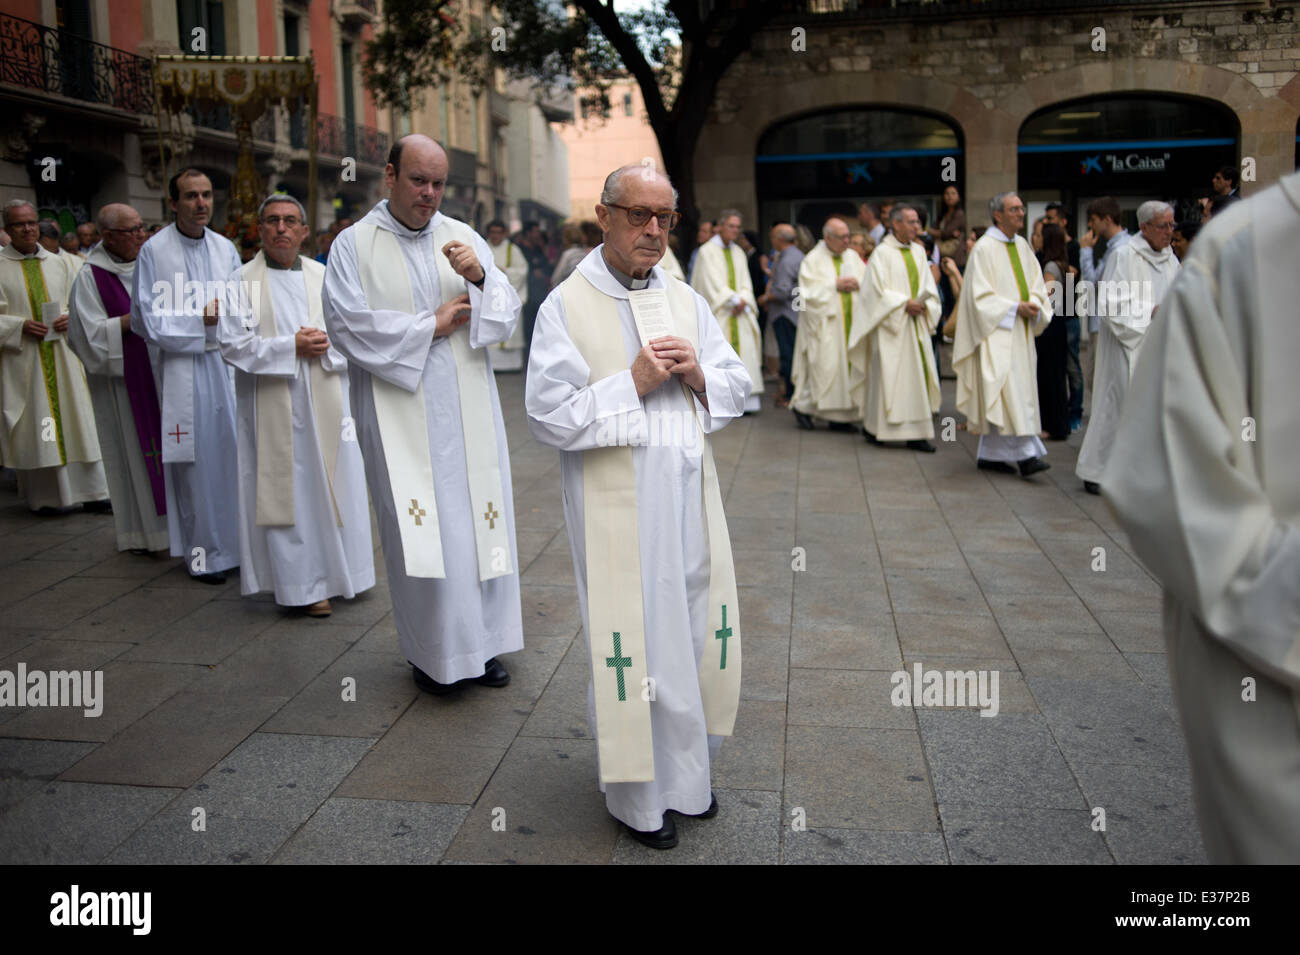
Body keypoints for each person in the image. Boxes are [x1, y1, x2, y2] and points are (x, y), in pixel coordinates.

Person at [525, 163, 750, 849]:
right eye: (638, 215)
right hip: (618, 507)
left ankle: (688, 778)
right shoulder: (564, 305)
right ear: (605, 215)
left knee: (688, 630)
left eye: (665, 217)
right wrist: (631, 383)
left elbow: (737, 383)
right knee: (638, 644)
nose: (653, 229)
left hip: (687, 500)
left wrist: (701, 374)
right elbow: (547, 415)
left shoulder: (685, 298)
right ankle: (638, 800)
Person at [1103, 171, 1300, 864]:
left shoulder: (1182, 258)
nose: (1166, 236)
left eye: (1166, 230)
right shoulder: (1240, 253)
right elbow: (1175, 479)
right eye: (1159, 228)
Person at [322, 134, 523, 693]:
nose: (430, 194)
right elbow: (345, 324)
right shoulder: (353, 245)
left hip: (467, 416)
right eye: (418, 180)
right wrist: (428, 327)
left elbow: (506, 314)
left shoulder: (463, 236)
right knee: (425, 535)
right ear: (389, 176)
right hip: (399, 413)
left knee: (477, 531)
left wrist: (480, 278)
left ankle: (483, 650)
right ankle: (434, 655)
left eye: (438, 183)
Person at [220, 193, 374, 616]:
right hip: (272, 404)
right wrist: (290, 346)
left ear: (305, 231)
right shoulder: (239, 281)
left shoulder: (325, 277)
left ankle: (347, 574)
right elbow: (232, 345)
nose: (281, 228)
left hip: (327, 396)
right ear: (260, 230)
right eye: (272, 221)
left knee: (335, 485)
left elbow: (356, 337)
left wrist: (325, 347)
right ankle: (304, 586)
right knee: (289, 493)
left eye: (290, 221)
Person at [131, 168, 242, 583]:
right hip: (182, 367)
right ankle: (205, 556)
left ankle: (237, 547)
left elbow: (241, 303)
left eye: (207, 195)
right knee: (194, 464)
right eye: (191, 196)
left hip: (225, 363)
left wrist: (231, 318)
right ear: (173, 203)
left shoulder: (225, 248)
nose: (201, 204)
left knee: (231, 456)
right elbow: (145, 317)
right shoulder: (154, 252)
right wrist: (198, 319)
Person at [66, 202, 169, 552]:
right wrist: (129, 321)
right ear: (108, 236)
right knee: (136, 458)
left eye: (143, 227)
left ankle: (183, 531)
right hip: (126, 385)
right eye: (132, 230)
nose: (141, 236)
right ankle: (146, 535)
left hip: (164, 376)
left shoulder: (154, 265)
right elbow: (85, 336)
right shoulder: (90, 276)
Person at [0, 199, 110, 512]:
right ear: (8, 229)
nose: (27, 228)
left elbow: (82, 302)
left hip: (64, 355)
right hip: (26, 361)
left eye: (32, 222)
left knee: (79, 421)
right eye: (19, 224)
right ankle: (48, 498)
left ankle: (93, 492)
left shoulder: (61, 262)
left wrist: (69, 316)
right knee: (41, 426)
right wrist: (18, 326)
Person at [1075, 200, 1179, 495]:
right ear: (1144, 227)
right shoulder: (1123, 255)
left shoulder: (1170, 258)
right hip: (1125, 344)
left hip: (1159, 346)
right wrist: (1150, 311)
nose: (1169, 232)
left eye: (1172, 225)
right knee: (1116, 406)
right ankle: (1097, 471)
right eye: (1163, 226)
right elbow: (1109, 302)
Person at [953, 192, 1053, 477]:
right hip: (996, 332)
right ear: (997, 215)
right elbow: (977, 297)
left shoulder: (1021, 245)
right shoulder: (984, 249)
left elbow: (1034, 281)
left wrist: (1035, 302)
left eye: (1022, 208)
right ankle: (1026, 456)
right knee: (1008, 391)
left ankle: (992, 455)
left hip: (1019, 332)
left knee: (1016, 391)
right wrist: (1013, 308)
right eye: (1014, 209)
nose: (1021, 213)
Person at [861, 204, 942, 451]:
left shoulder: (919, 251)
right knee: (889, 379)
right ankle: (878, 429)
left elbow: (929, 285)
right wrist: (902, 304)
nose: (917, 226)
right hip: (891, 328)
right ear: (896, 224)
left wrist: (926, 306)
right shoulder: (881, 254)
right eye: (911, 222)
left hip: (916, 326)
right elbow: (873, 293)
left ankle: (917, 434)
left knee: (917, 378)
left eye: (917, 222)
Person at [789, 216, 868, 431]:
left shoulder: (852, 256)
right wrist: (834, 285)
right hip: (825, 328)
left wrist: (857, 283)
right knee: (824, 369)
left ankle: (841, 418)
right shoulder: (812, 260)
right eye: (842, 237)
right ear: (827, 237)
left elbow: (868, 282)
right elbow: (803, 296)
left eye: (848, 236)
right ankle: (804, 409)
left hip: (850, 325)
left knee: (845, 371)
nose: (847, 241)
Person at [691, 208, 762, 412]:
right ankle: (720, 400)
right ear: (719, 227)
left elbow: (746, 282)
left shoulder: (739, 252)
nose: (735, 231)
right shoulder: (707, 251)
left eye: (738, 227)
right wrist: (732, 299)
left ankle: (747, 402)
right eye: (731, 226)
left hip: (740, 312)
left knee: (746, 353)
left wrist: (745, 299)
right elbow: (710, 283)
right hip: (720, 312)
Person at [1079, 196, 1128, 400]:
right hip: (1104, 322)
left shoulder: (1120, 249)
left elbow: (1092, 281)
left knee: (1098, 381)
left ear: (1107, 219)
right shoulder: (1116, 247)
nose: (1091, 225)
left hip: (1105, 323)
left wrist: (1085, 251)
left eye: (1093, 219)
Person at [757, 223, 802, 408]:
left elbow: (782, 291)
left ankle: (790, 394)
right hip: (795, 311)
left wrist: (765, 298)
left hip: (785, 313)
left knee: (788, 355)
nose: (771, 241)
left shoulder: (787, 259)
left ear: (780, 240)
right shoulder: (797, 255)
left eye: (773, 237)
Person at [1034, 221, 1071, 442]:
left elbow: (1045, 297)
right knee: (1057, 374)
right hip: (1058, 325)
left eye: (1038, 235)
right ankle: (1058, 424)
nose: (1035, 238)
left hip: (1050, 325)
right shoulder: (1062, 264)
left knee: (1049, 375)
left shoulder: (1050, 267)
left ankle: (1052, 425)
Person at [486, 219, 528, 371]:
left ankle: (512, 365)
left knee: (510, 329)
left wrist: (505, 271)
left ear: (504, 233)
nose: (495, 236)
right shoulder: (482, 247)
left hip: (508, 296)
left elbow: (522, 270)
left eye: (498, 232)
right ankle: (492, 365)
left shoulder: (513, 250)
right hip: (488, 297)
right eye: (492, 232)